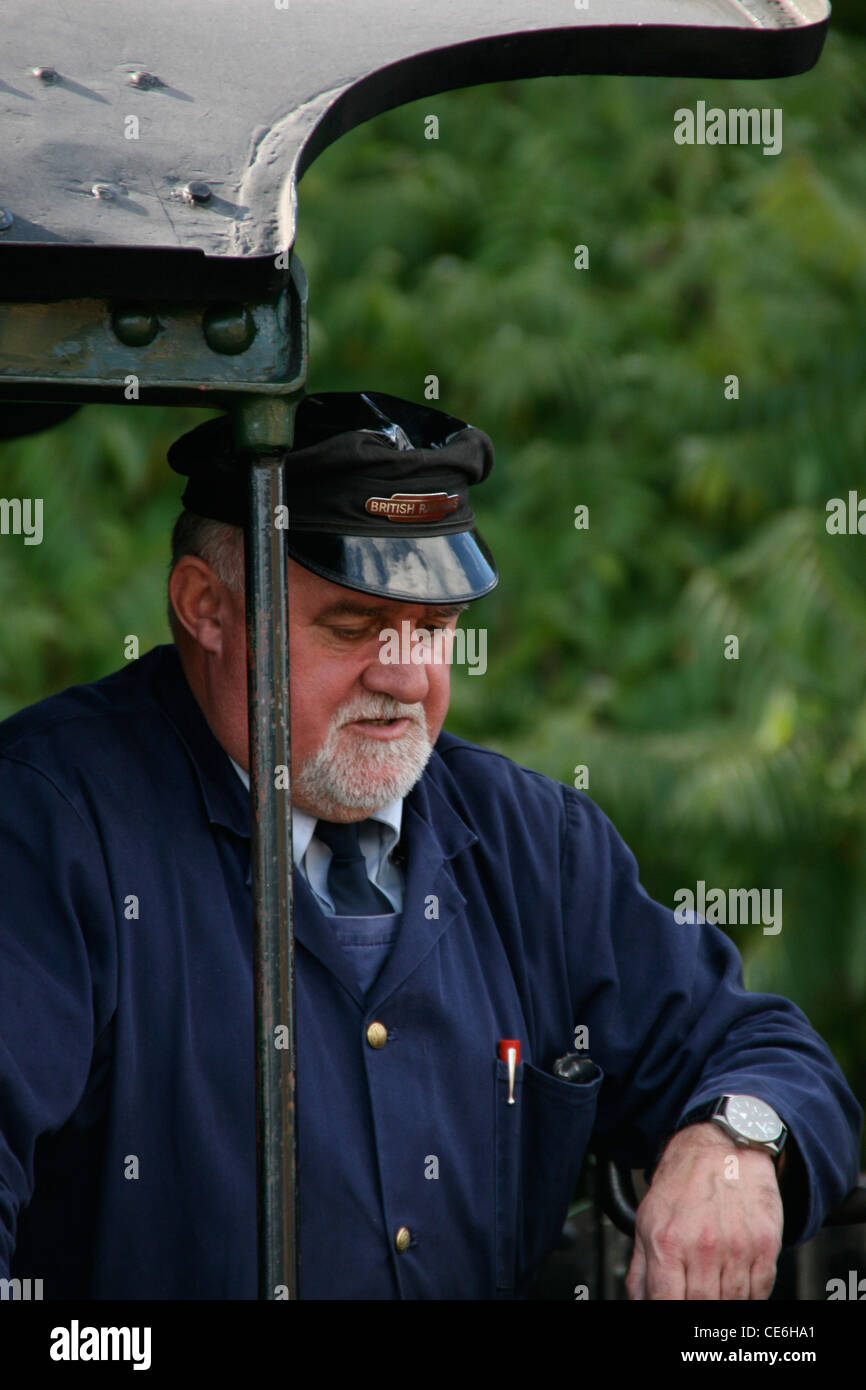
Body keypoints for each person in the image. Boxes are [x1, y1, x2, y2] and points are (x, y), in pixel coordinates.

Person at [0, 391, 860, 1301]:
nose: (406, 675)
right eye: (354, 627)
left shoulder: (537, 843)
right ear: (205, 608)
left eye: (435, 628)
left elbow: (764, 1046)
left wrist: (734, 1141)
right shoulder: (48, 826)